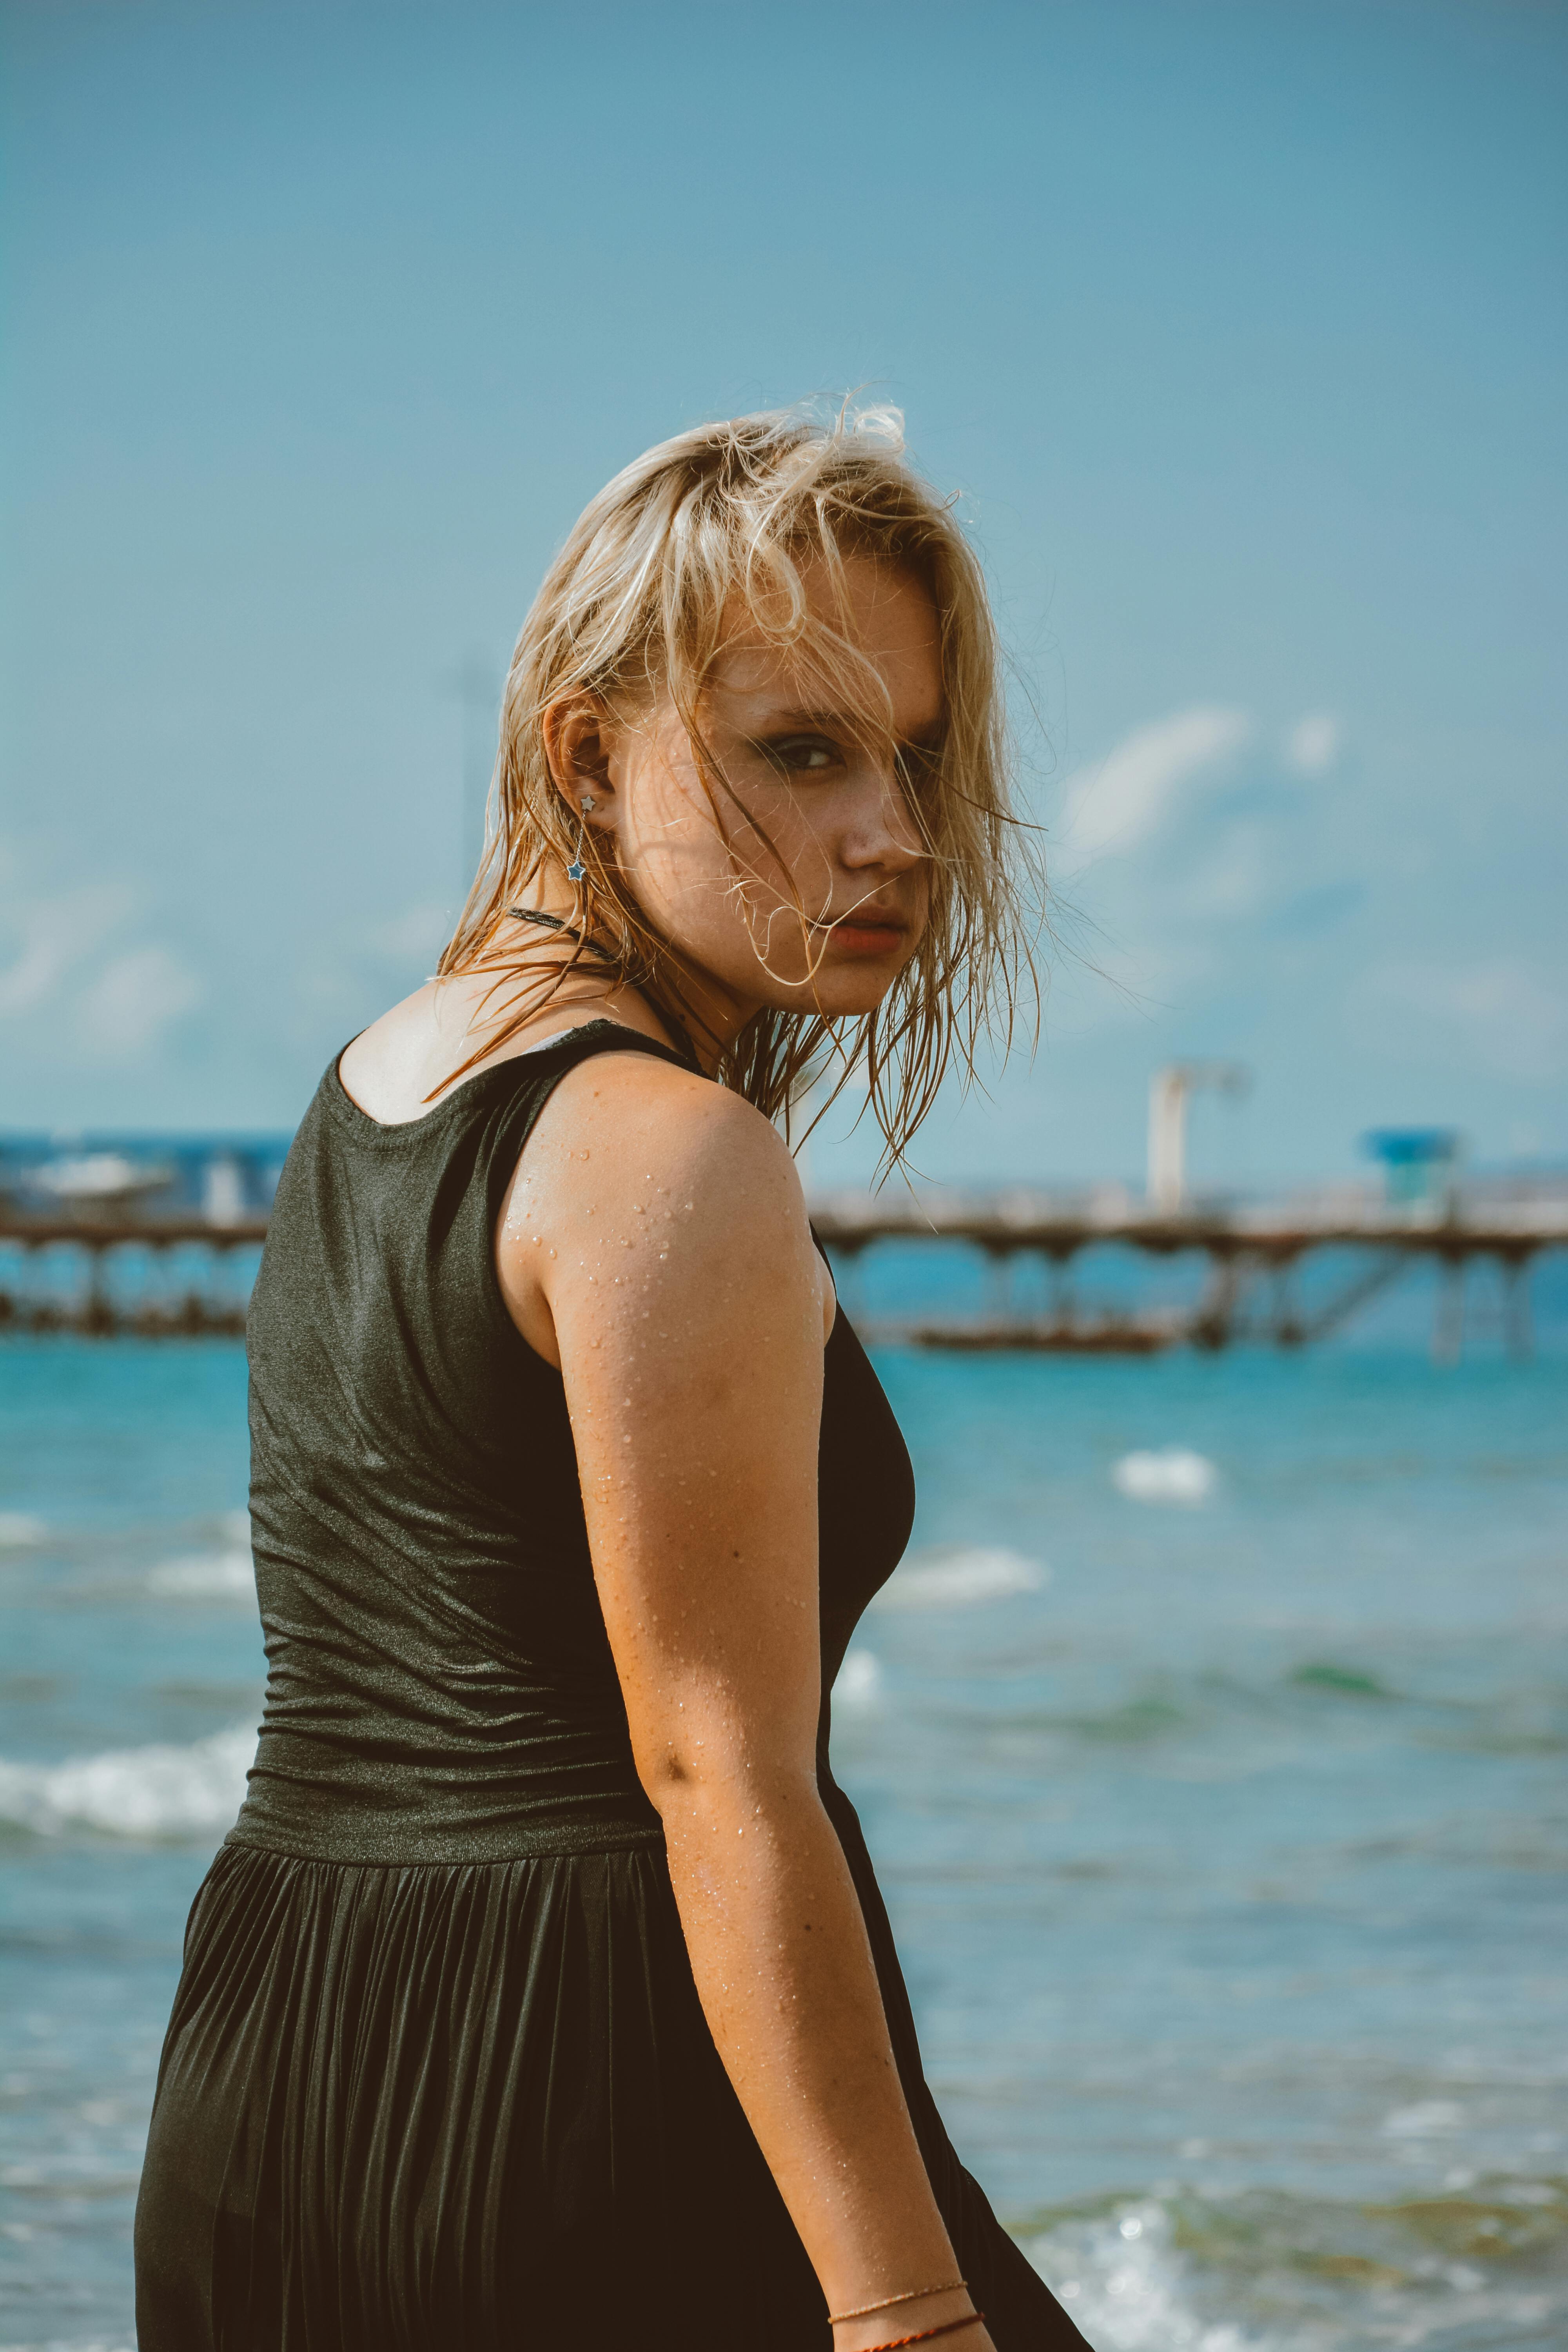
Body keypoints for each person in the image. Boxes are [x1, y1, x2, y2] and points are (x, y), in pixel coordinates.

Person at [134, 407, 1093, 2352]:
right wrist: (904, 2313)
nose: (893, 835)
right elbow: (709, 1773)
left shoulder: (377, 1082)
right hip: (594, 2083)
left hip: (268, 2065)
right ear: (588, 750)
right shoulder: (667, 1153)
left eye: (912, 759)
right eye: (800, 751)